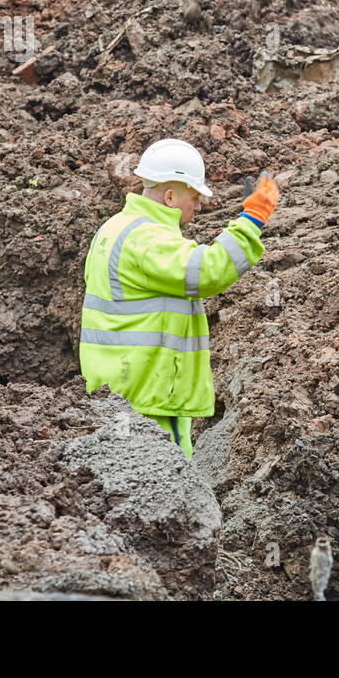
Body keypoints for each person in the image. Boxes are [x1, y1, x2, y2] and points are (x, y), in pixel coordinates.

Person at [79, 137, 279, 458]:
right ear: (170, 196)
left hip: (116, 390)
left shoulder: (114, 228)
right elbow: (206, 272)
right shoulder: (148, 238)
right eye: (195, 196)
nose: (199, 205)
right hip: (148, 396)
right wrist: (252, 219)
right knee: (169, 488)